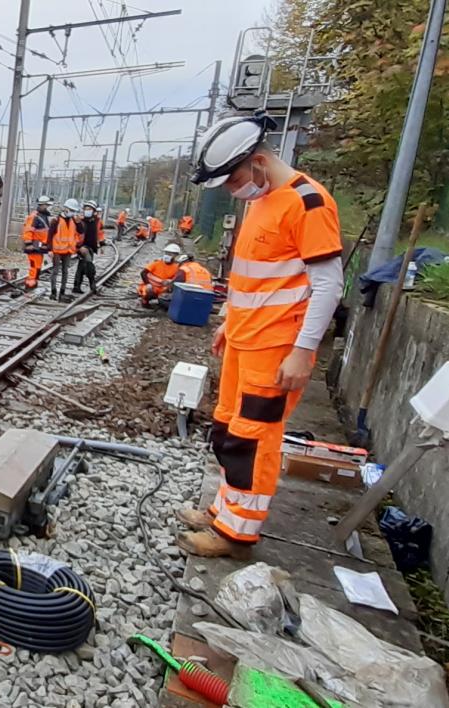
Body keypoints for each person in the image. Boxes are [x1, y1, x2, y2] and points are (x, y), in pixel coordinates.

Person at [175, 114, 345, 558]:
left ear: (259, 162)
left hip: (275, 349)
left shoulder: (308, 203)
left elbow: (328, 285)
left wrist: (303, 350)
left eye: (233, 180)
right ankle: (224, 513)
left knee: (255, 441)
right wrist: (231, 320)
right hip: (246, 342)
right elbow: (255, 277)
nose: (233, 190)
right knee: (230, 429)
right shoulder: (261, 201)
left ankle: (236, 537)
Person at [49, 198, 82, 301]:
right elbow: (50, 235)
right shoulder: (56, 220)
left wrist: (79, 223)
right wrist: (49, 250)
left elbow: (81, 231)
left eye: (73, 211)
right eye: (71, 210)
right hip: (57, 250)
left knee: (65, 272)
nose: (72, 212)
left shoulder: (74, 221)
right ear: (65, 208)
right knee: (55, 271)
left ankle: (62, 292)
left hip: (68, 251)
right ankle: (53, 292)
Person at [20, 196, 52, 289]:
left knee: (37, 266)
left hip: (39, 247)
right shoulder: (34, 216)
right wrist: (28, 244)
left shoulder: (43, 216)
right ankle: (30, 283)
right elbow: (28, 231)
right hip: (34, 246)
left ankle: (33, 282)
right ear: (43, 205)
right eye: (47, 205)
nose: (49, 207)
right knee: (34, 266)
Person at [73, 199, 103, 295]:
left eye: (89, 208)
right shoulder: (80, 221)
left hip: (91, 246)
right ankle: (92, 284)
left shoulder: (97, 221)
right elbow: (75, 234)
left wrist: (101, 245)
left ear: (94, 211)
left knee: (82, 266)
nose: (87, 210)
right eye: (86, 208)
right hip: (82, 247)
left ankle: (76, 286)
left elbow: (100, 232)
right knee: (89, 263)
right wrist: (78, 246)